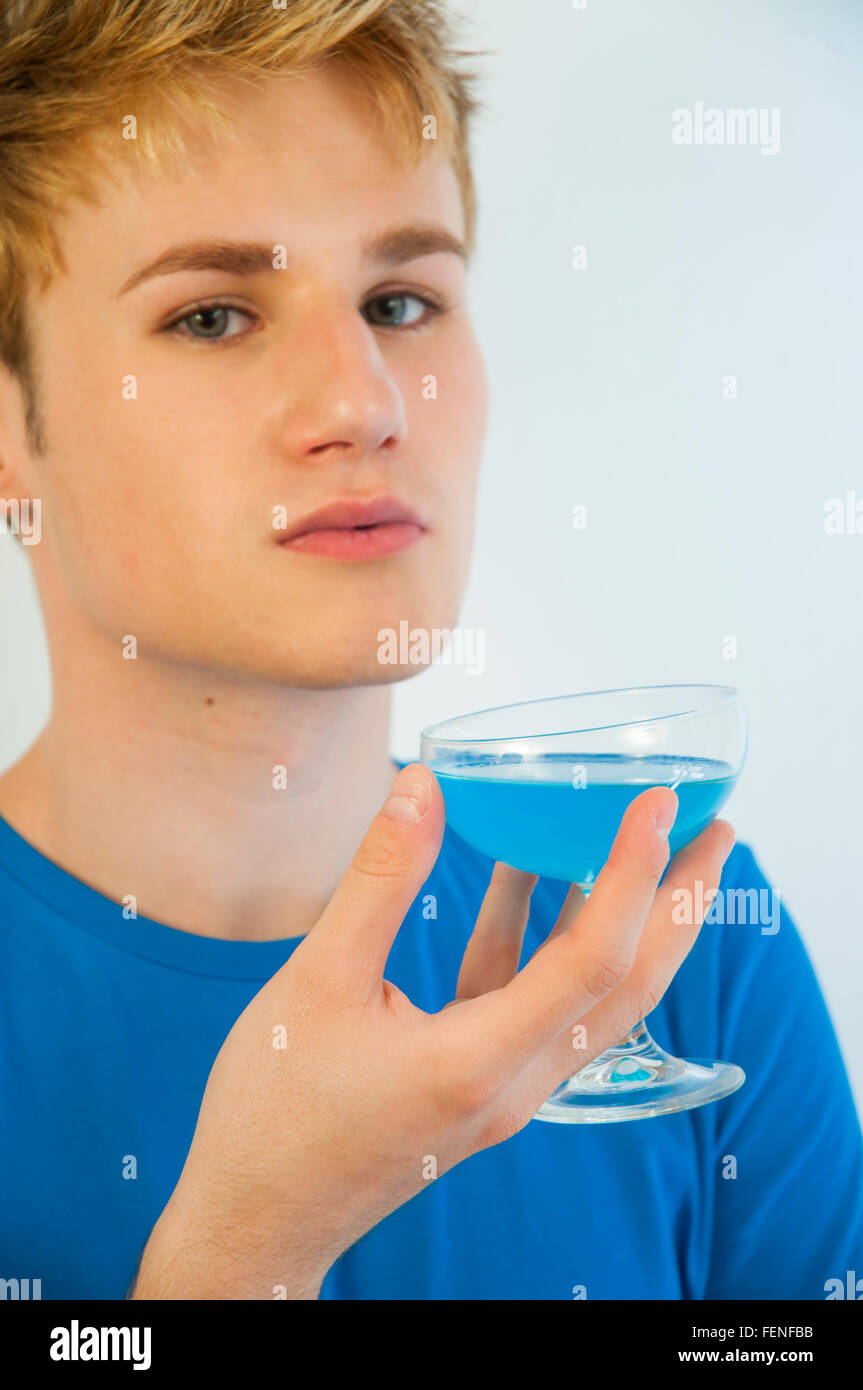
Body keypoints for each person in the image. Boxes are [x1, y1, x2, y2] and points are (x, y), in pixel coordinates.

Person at [0, 0, 859, 1302]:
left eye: (401, 299)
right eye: (214, 316)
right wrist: (247, 1245)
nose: (364, 400)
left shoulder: (679, 953)